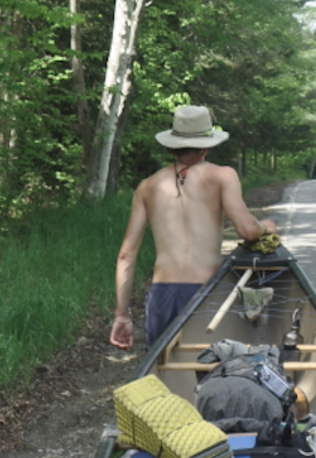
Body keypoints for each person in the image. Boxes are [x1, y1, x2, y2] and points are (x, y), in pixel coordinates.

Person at [110, 105, 276, 350]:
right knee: (212, 371)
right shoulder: (223, 176)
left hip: (162, 295)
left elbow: (126, 254)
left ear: (172, 144)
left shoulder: (147, 187)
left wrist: (121, 315)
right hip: (208, 290)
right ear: (207, 144)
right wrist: (266, 227)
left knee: (164, 374)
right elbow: (247, 229)